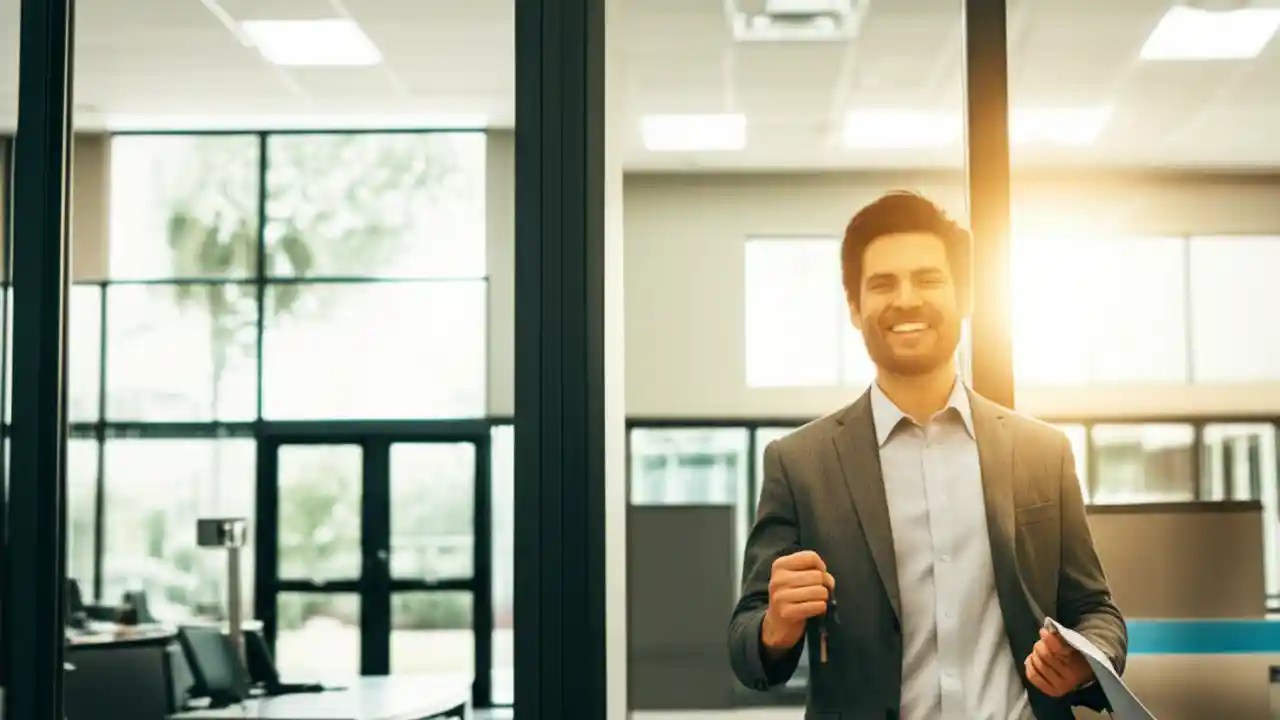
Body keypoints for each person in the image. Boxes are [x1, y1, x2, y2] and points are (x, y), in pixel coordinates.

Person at [727, 191, 1127, 720]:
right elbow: (746, 640)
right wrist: (776, 626)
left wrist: (1085, 661)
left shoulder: (1041, 452)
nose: (907, 299)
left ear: (964, 297)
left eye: (928, 279)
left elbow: (1096, 610)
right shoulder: (800, 463)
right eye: (883, 284)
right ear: (854, 308)